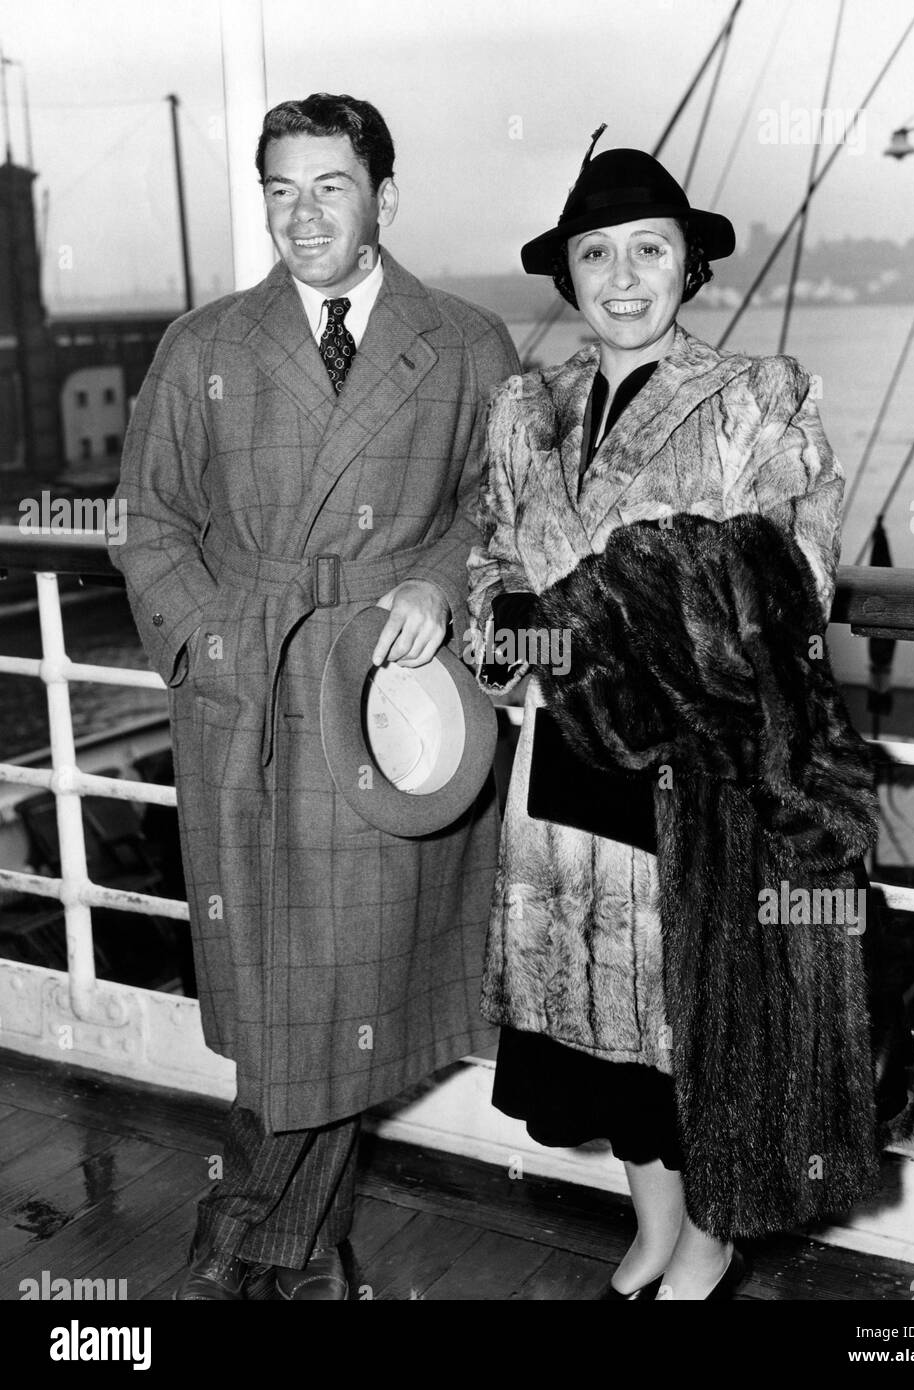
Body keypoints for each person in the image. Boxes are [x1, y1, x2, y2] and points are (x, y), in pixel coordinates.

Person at [467, 132, 912, 1301]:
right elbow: (490, 566)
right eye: (596, 253)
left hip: (699, 771)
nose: (623, 277)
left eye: (649, 250)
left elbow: (793, 573)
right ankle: (655, 1221)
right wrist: (520, 630)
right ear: (567, 274)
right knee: (597, 1023)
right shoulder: (526, 409)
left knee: (692, 1022)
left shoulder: (759, 396)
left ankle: (710, 1235)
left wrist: (599, 605)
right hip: (559, 763)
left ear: (689, 265)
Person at [111, 92, 519, 1301]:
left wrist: (442, 590)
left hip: (387, 703)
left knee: (344, 980)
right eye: (279, 188)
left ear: (383, 197)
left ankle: (251, 1252)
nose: (302, 215)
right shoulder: (205, 347)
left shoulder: (469, 343)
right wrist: (212, 650)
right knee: (287, 985)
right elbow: (149, 523)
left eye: (329, 186)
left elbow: (493, 512)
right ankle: (289, 1258)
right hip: (247, 696)